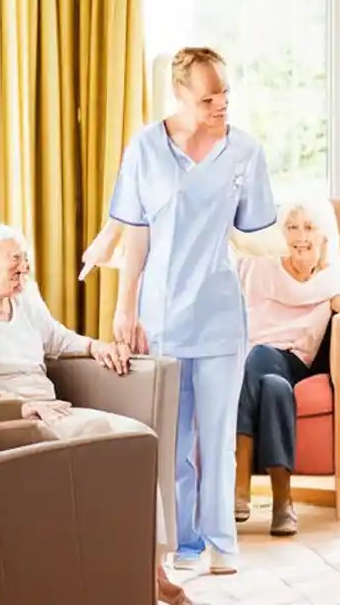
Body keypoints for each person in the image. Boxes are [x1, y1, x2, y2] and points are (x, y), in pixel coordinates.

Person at [0, 224, 188, 604]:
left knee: (138, 439)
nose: (23, 268)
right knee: (99, 433)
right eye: (14, 260)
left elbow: (57, 338)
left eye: (24, 260)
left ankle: (151, 564)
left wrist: (95, 347)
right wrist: (17, 404)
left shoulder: (25, 299)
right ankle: (125, 571)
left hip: (52, 410)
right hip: (8, 420)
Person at [107, 46, 276, 574]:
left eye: (226, 91)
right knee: (172, 438)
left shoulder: (246, 152)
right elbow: (136, 235)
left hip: (221, 313)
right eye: (209, 96)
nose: (222, 102)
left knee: (220, 433)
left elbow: (250, 232)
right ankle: (184, 543)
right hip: (160, 316)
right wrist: (123, 309)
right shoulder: (145, 147)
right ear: (179, 94)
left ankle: (223, 542)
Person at [234, 198, 340, 535]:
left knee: (262, 359)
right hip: (256, 365)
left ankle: (239, 485)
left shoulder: (331, 281)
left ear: (324, 237)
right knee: (273, 387)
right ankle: (284, 502)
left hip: (294, 361)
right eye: (292, 227)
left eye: (309, 228)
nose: (300, 236)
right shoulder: (260, 269)